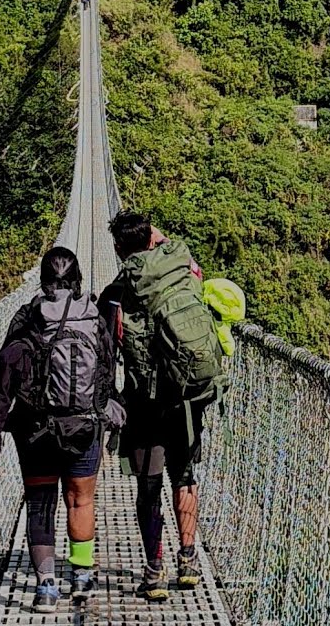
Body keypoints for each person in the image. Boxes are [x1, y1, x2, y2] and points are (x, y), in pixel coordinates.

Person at [0, 247, 119, 613]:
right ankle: (81, 577)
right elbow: (107, 374)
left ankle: (46, 587)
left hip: (36, 431)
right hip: (85, 427)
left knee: (41, 504)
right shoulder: (95, 320)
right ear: (77, 280)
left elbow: (9, 370)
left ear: (43, 280)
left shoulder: (29, 318)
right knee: (81, 500)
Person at [102, 210, 225, 601]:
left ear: (119, 250)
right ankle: (189, 560)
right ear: (153, 239)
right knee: (184, 476)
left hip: (142, 403)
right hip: (186, 397)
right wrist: (158, 237)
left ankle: (155, 572)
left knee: (148, 487)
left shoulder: (115, 296)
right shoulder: (185, 272)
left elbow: (107, 353)